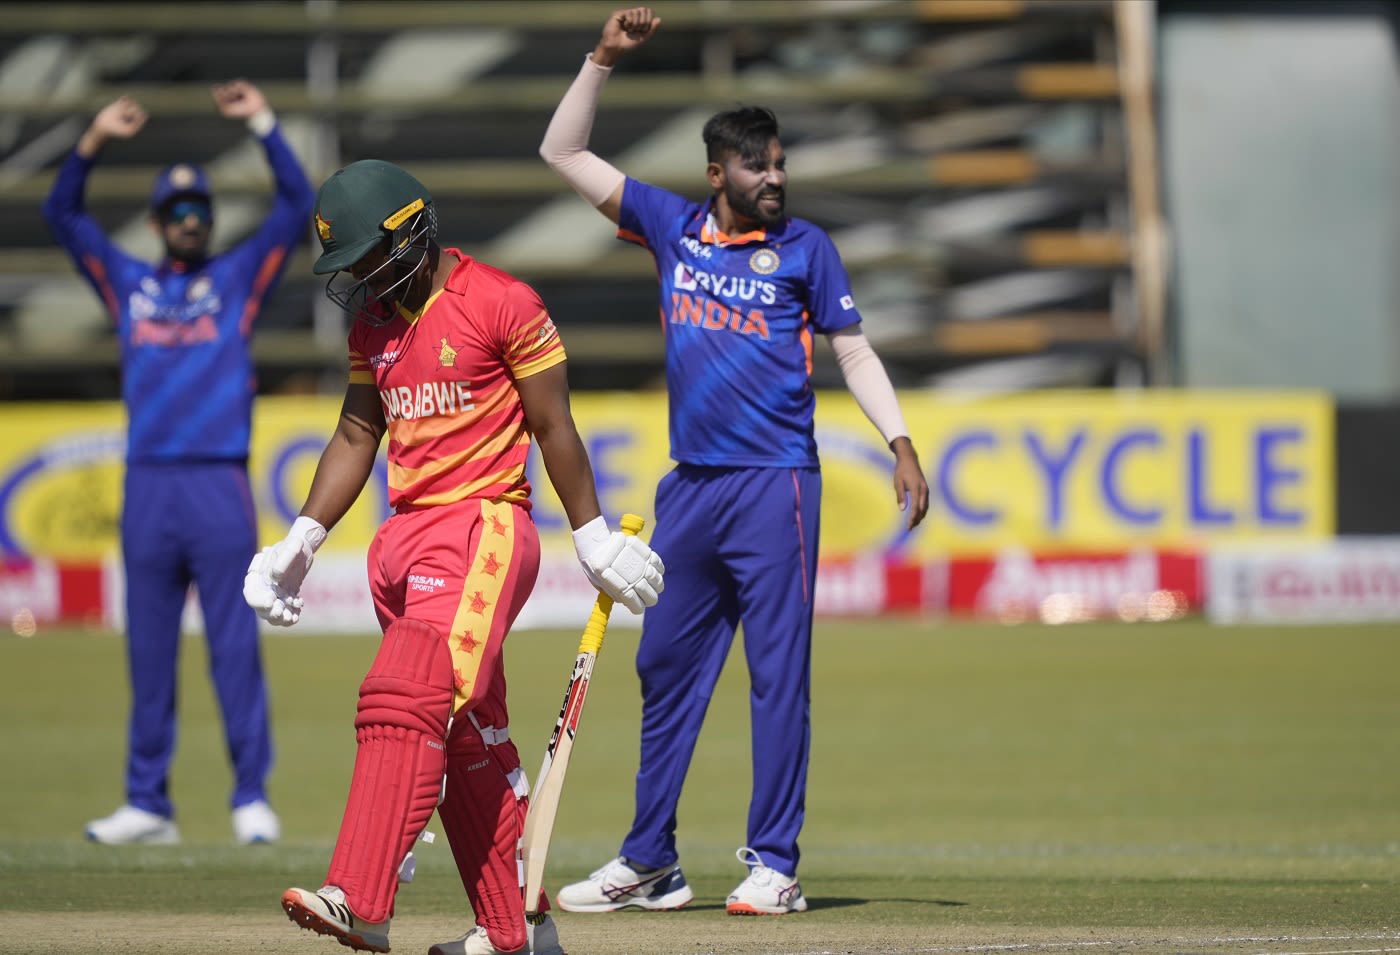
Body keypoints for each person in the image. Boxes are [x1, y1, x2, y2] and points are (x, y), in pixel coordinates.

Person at [538, 6, 931, 917]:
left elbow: (855, 350)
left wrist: (899, 441)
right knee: (664, 665)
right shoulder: (672, 227)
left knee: (776, 674)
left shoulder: (805, 248)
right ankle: (651, 862)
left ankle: (775, 864)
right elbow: (562, 153)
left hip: (777, 485)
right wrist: (601, 59)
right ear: (718, 173)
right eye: (757, 165)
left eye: (781, 163)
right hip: (692, 489)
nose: (775, 178)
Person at [243, 158, 665, 955]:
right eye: (350, 265)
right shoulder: (371, 324)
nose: (362, 277)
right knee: (471, 740)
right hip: (402, 542)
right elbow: (358, 432)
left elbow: (554, 427)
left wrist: (593, 536)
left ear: (413, 230)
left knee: (406, 692)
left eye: (370, 255)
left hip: (484, 528)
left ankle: (362, 894)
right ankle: (517, 931)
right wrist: (301, 539)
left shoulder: (502, 302)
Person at [42, 80, 314, 846]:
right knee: (149, 651)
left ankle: (251, 795)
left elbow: (296, 206)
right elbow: (61, 214)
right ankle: (147, 802)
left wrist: (262, 122)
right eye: (178, 212)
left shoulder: (236, 279)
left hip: (218, 482)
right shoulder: (128, 283)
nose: (191, 221)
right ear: (160, 221)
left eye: (201, 211)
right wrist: (93, 137)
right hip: (150, 485)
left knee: (235, 645)